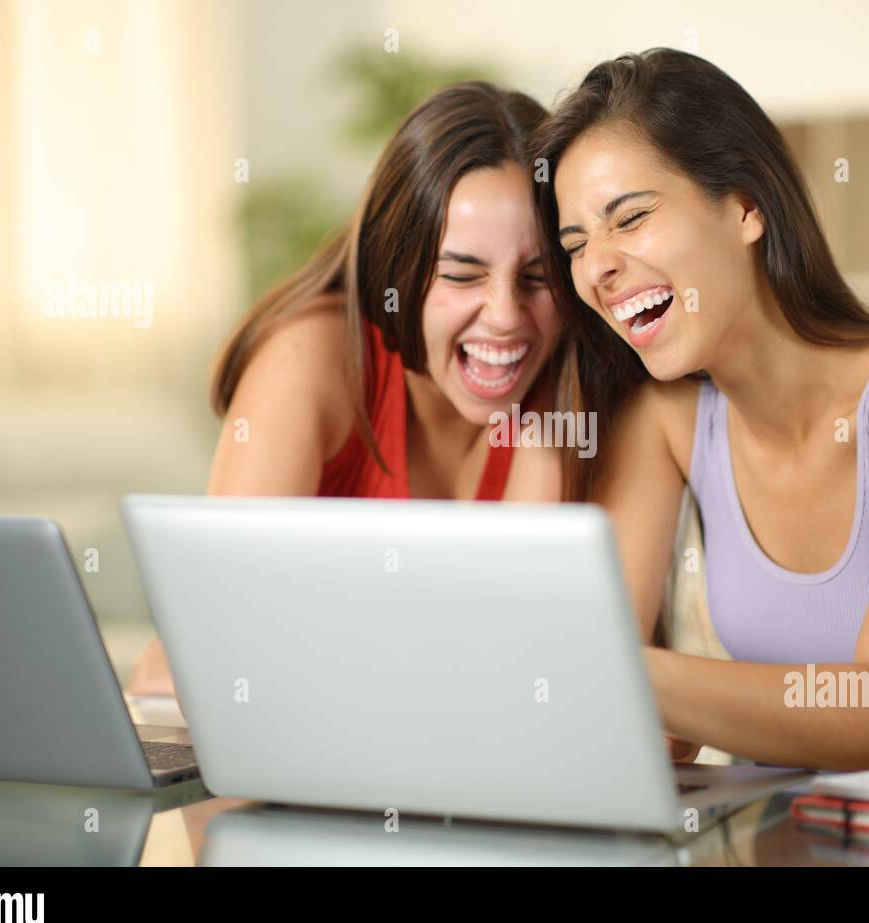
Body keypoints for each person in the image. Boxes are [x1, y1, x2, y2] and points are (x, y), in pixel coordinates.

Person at [533, 49, 869, 770]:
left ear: (747, 208)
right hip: (787, 834)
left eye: (629, 218)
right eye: (575, 244)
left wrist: (628, 675)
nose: (596, 267)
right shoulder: (669, 419)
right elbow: (595, 692)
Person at [128, 82, 565, 696]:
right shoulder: (309, 361)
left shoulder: (561, 378)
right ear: (395, 267)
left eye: (539, 275)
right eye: (462, 274)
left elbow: (521, 649)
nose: (505, 315)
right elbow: (211, 645)